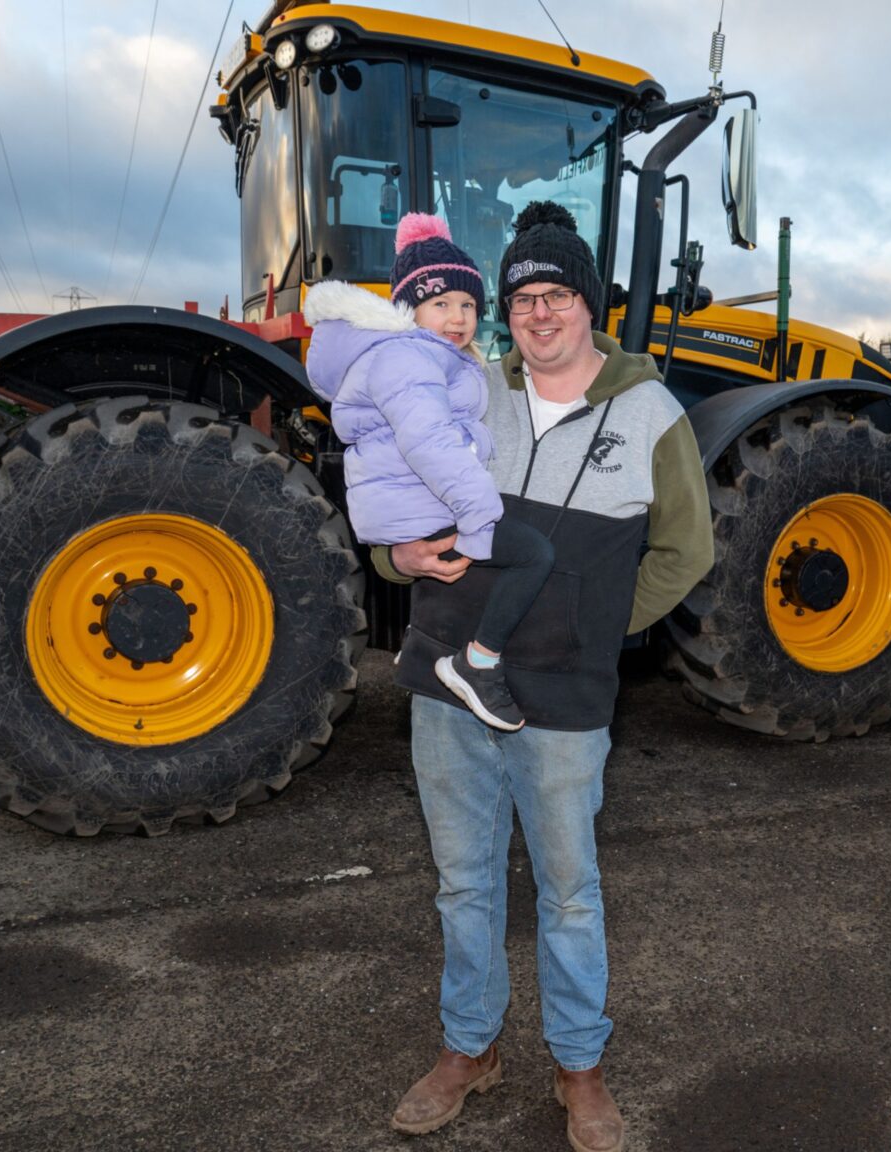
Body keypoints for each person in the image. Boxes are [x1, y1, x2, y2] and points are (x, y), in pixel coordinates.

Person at [376, 201, 713, 1152]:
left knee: (568, 889)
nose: (538, 311)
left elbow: (686, 553)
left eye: (557, 292)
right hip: (451, 685)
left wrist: (593, 631)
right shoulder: (466, 390)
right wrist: (400, 560)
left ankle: (579, 1066)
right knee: (462, 882)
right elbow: (390, 509)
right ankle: (469, 1049)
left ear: (589, 304)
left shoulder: (651, 415)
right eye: (522, 294)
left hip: (563, 698)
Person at [303, 213, 556, 730]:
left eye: (467, 304)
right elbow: (429, 443)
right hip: (425, 499)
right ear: (408, 308)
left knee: (466, 568)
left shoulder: (422, 354)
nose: (458, 317)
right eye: (441, 303)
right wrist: (478, 511)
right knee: (532, 555)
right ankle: (479, 663)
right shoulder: (409, 358)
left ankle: (422, 651)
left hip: (411, 503)